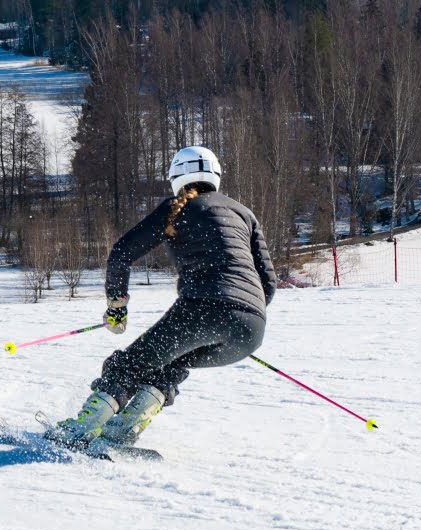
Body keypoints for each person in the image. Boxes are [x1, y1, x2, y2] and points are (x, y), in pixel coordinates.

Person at [53, 145, 276, 448]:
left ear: (176, 178)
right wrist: (240, 316)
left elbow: (120, 254)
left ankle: (81, 431)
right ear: (216, 176)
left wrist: (117, 308)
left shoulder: (178, 207)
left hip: (202, 308)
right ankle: (121, 431)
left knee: (126, 366)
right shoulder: (245, 214)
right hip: (251, 330)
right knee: (167, 364)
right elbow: (269, 284)